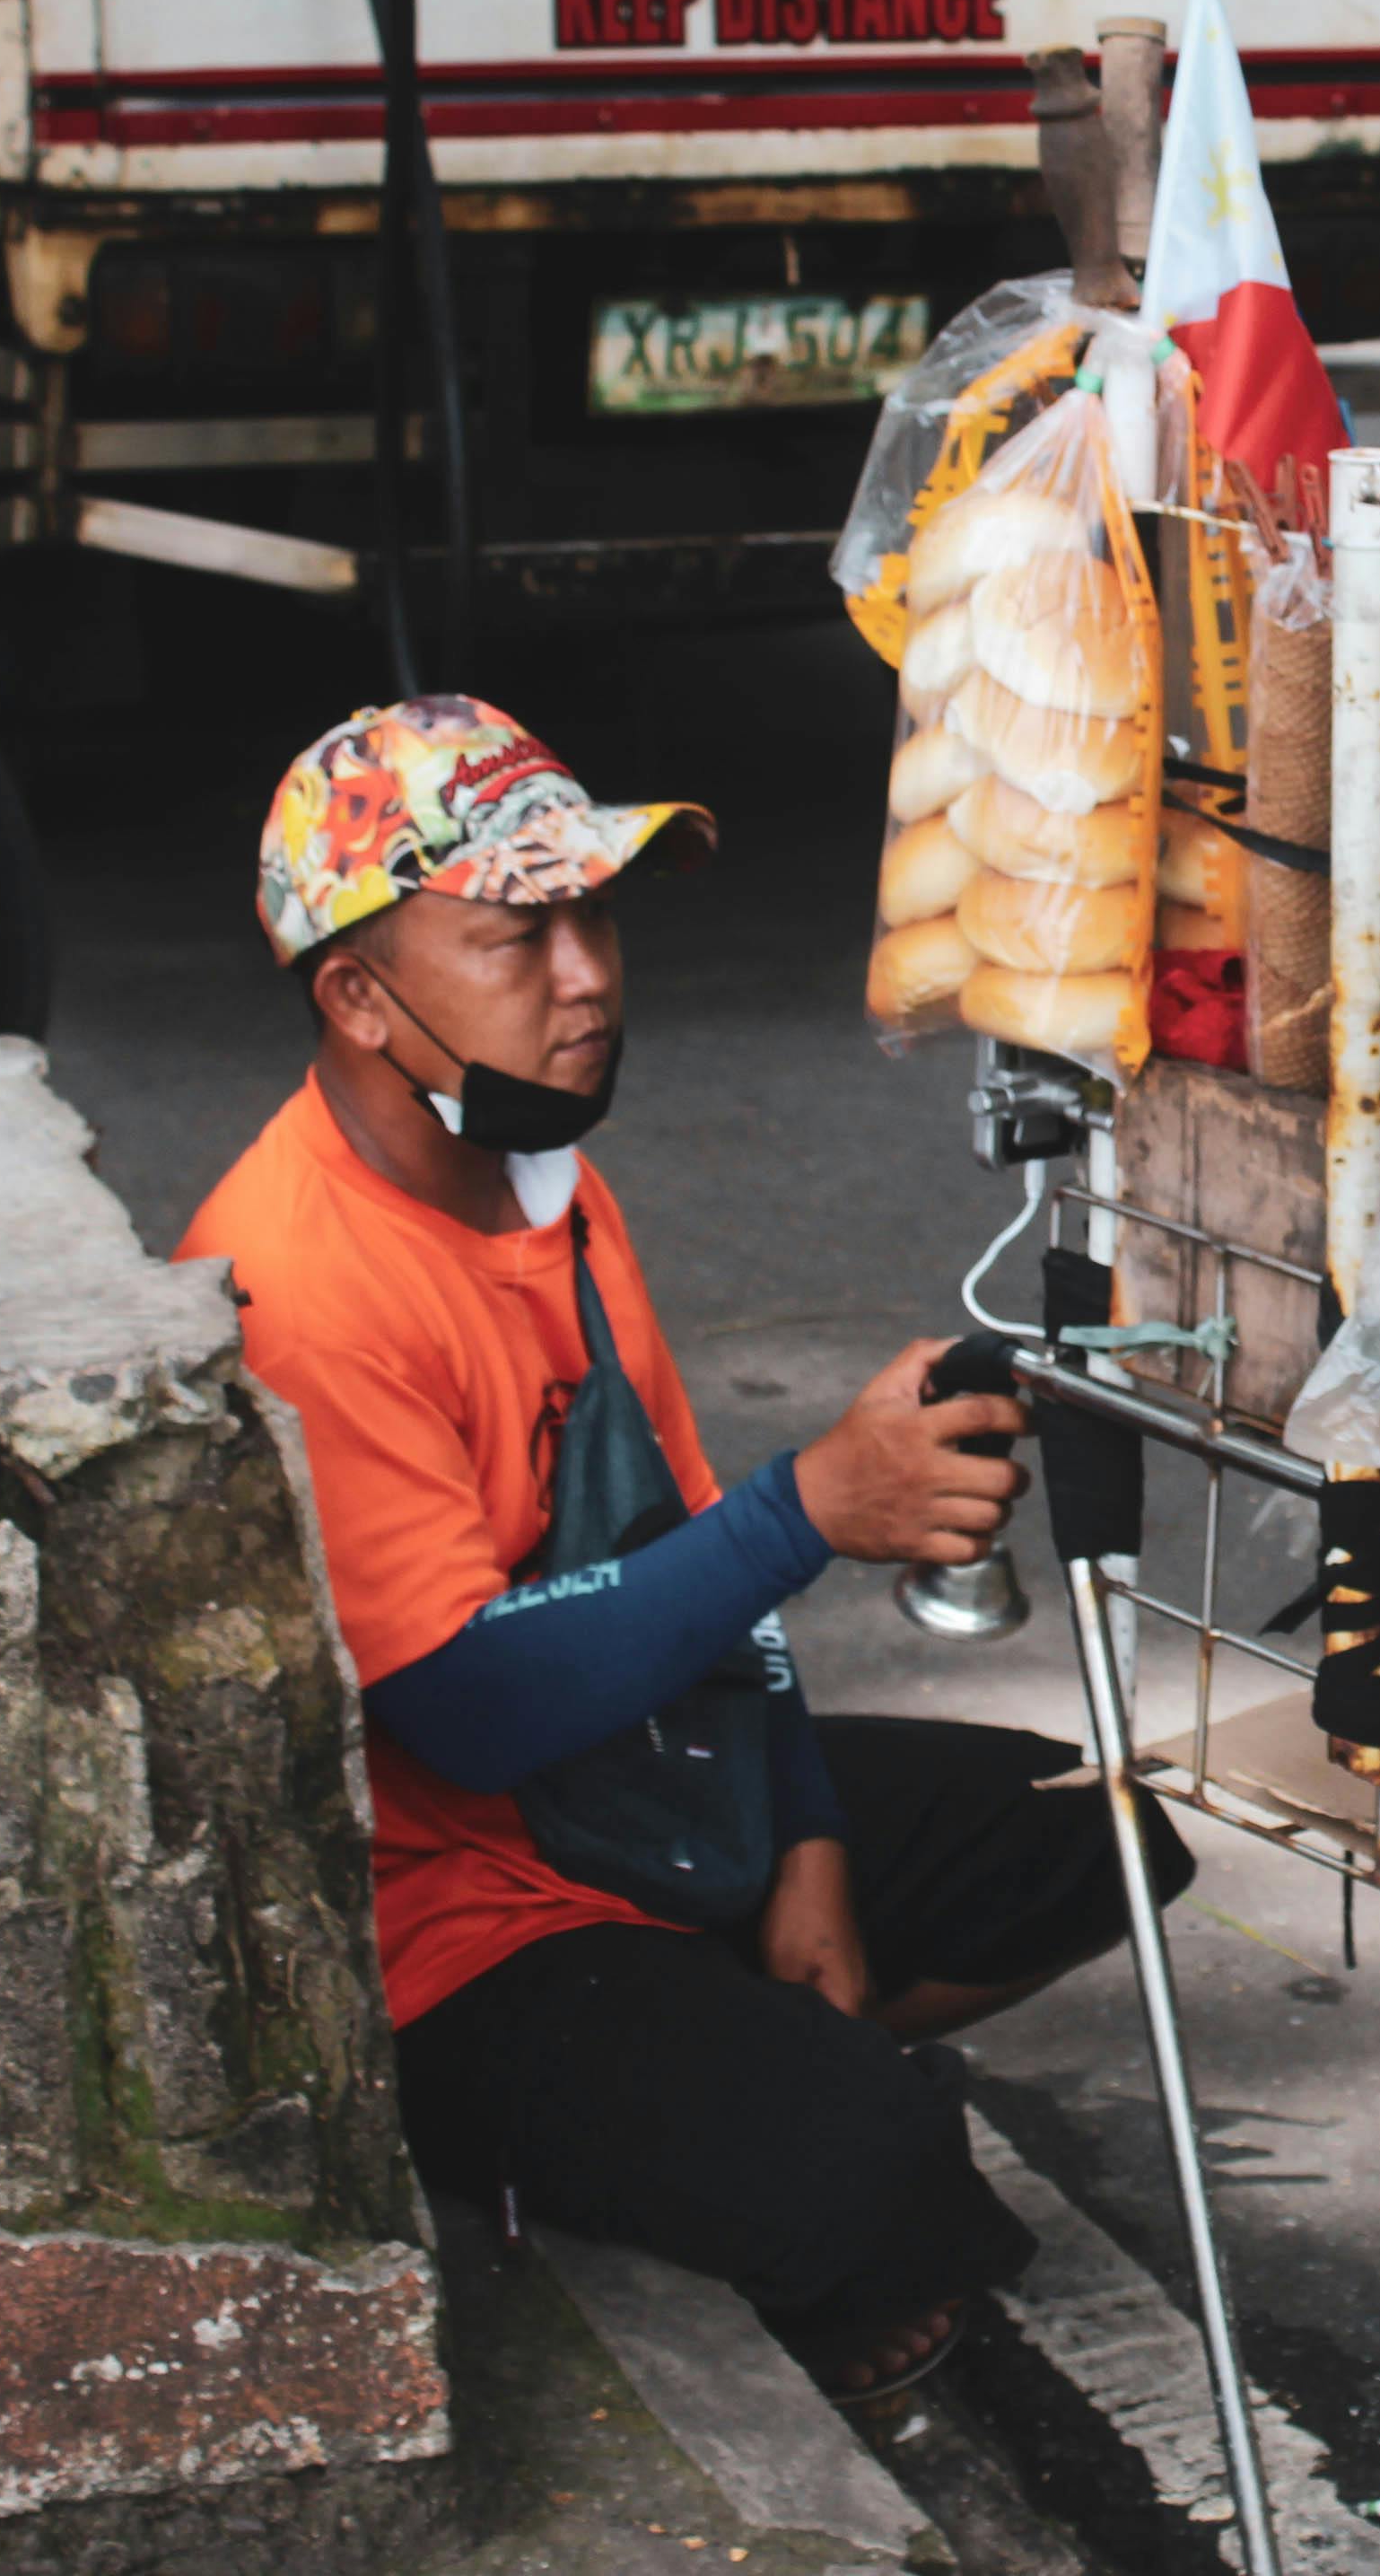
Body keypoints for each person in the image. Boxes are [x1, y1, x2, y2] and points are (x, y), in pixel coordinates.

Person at [178, 695, 1191, 2396]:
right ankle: (631, 2126)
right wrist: (812, 1511)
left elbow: (676, 1542)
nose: (584, 975)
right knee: (872, 2175)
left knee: (1096, 1843)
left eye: (595, 915)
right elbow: (468, 1710)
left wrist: (799, 1843)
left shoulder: (544, 1175)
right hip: (453, 1923)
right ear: (357, 995)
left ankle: (729, 2059)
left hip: (649, 1796)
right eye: (519, 932)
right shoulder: (294, 1283)